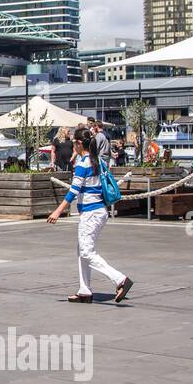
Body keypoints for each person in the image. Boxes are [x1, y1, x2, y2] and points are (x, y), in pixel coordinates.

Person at [48, 127, 133, 304]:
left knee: (87, 252)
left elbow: (73, 191)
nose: (73, 147)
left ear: (79, 144)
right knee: (83, 251)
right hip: (99, 211)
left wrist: (58, 210)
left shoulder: (83, 163)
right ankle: (84, 290)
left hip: (91, 213)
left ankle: (120, 279)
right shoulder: (98, 161)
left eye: (74, 144)